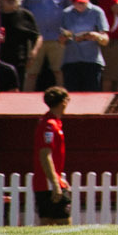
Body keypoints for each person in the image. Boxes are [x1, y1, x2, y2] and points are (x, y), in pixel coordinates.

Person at [55, 0, 109, 92]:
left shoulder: (97, 12)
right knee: (73, 94)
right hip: (71, 61)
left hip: (92, 61)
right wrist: (64, 38)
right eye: (77, 2)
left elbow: (105, 39)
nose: (80, 5)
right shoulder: (66, 13)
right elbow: (61, 40)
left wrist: (96, 36)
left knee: (92, 94)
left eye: (83, 2)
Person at [32, 84, 72, 224]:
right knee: (63, 224)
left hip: (47, 181)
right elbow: (45, 155)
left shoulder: (52, 123)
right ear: (63, 102)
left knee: (47, 224)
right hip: (48, 183)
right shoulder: (50, 125)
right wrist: (55, 183)